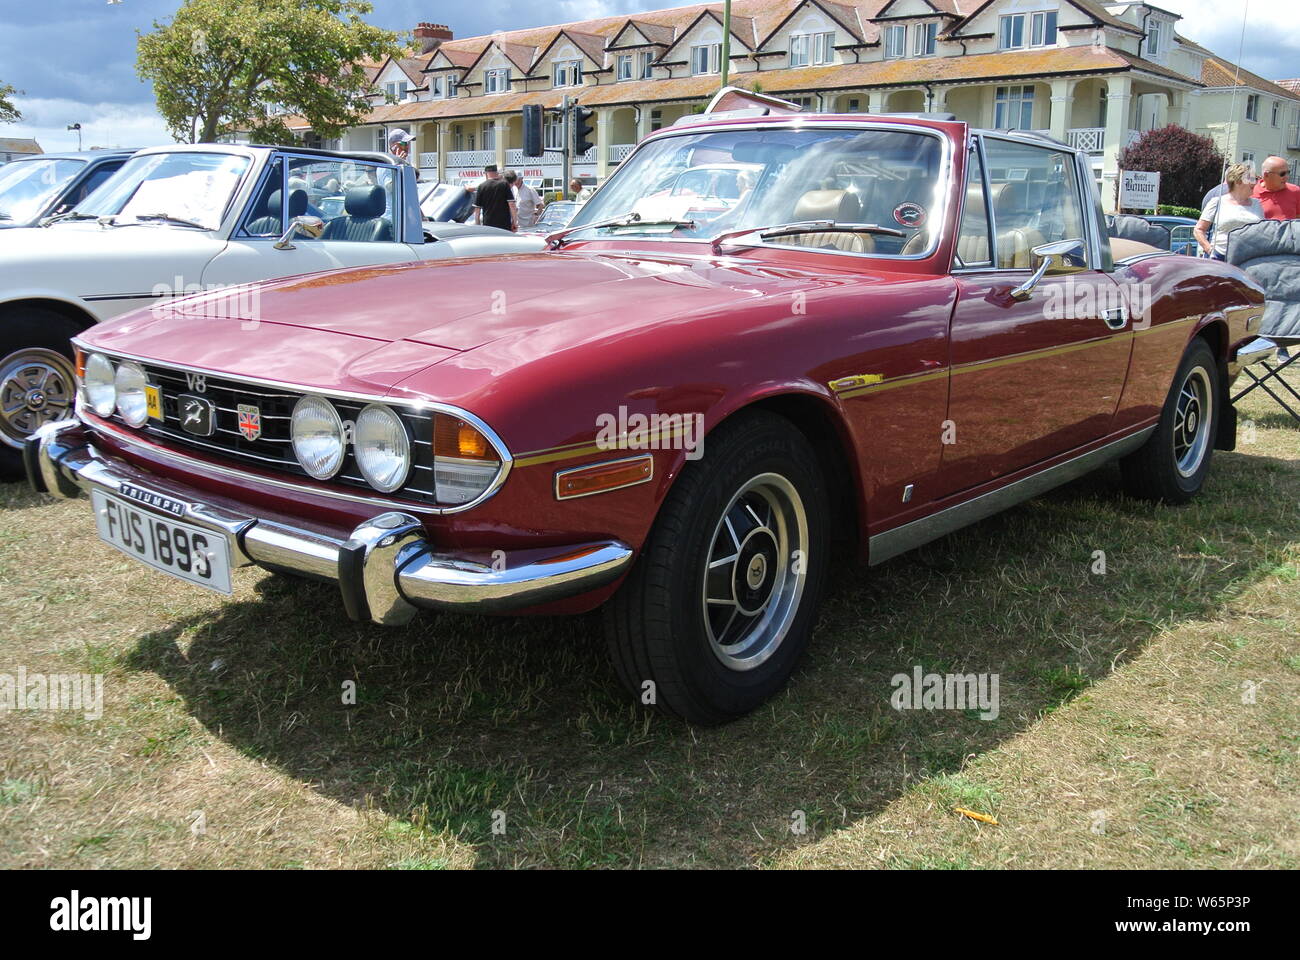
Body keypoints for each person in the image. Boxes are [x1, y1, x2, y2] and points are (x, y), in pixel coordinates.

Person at [1194, 162, 1262, 260]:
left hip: (1249, 257)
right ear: (1238, 181)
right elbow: (1199, 230)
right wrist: (1209, 249)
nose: (1255, 182)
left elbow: (1262, 231)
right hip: (1220, 256)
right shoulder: (1217, 202)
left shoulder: (1257, 204)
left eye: (1255, 179)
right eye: (1251, 179)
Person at [1253, 155, 1300, 220]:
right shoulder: (1251, 192)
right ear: (1266, 175)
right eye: (1282, 174)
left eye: (1288, 172)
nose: (1287, 177)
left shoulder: (1295, 191)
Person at [473, 164, 517, 231]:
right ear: (496, 172)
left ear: (486, 173)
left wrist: (478, 225)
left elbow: (477, 210)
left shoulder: (481, 186)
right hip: (504, 224)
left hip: (488, 224)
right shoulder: (504, 184)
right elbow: (512, 205)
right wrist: (514, 222)